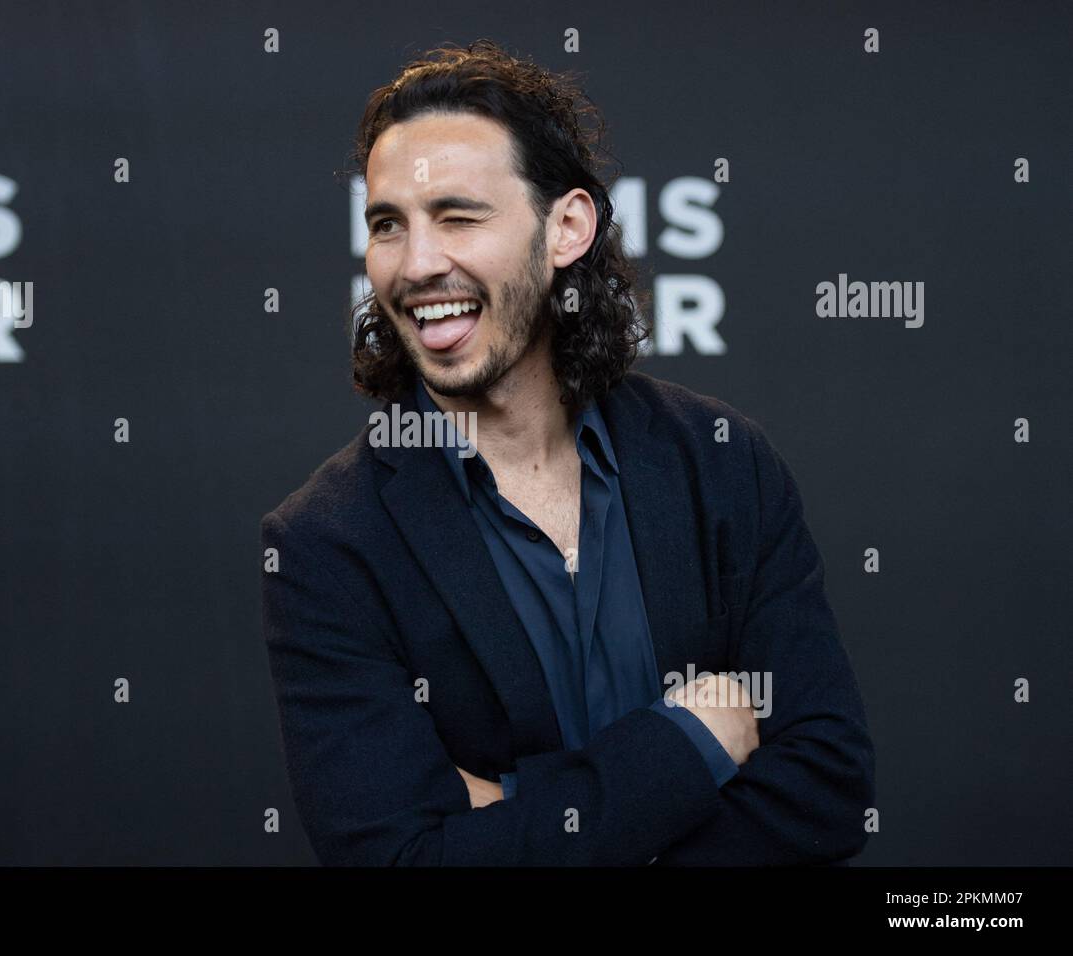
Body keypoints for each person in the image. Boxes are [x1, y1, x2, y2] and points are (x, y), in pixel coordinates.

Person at [260, 40, 874, 866]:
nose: (416, 265)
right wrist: (690, 744)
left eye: (458, 216)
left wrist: (511, 805)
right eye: (386, 225)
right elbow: (404, 861)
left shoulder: (722, 464)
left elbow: (826, 792)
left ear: (568, 228)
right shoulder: (326, 545)